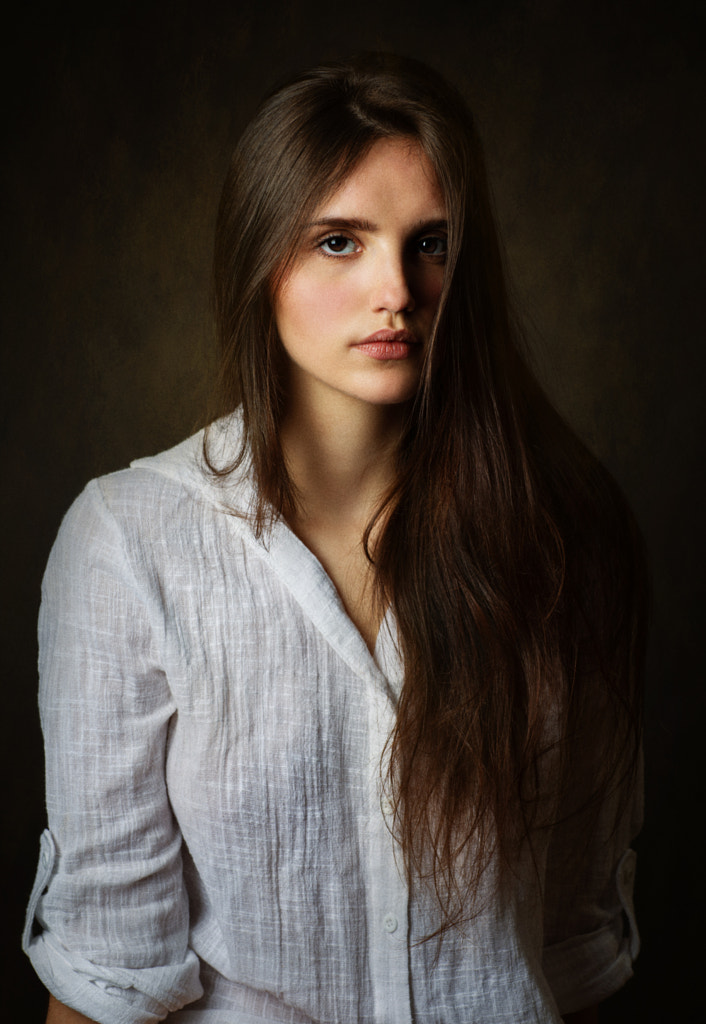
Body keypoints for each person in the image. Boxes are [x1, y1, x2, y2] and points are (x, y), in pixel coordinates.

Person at [23, 53, 647, 1024]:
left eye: (429, 241)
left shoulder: (566, 533)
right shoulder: (130, 544)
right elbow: (109, 975)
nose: (396, 287)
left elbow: (571, 952)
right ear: (262, 258)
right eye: (340, 242)